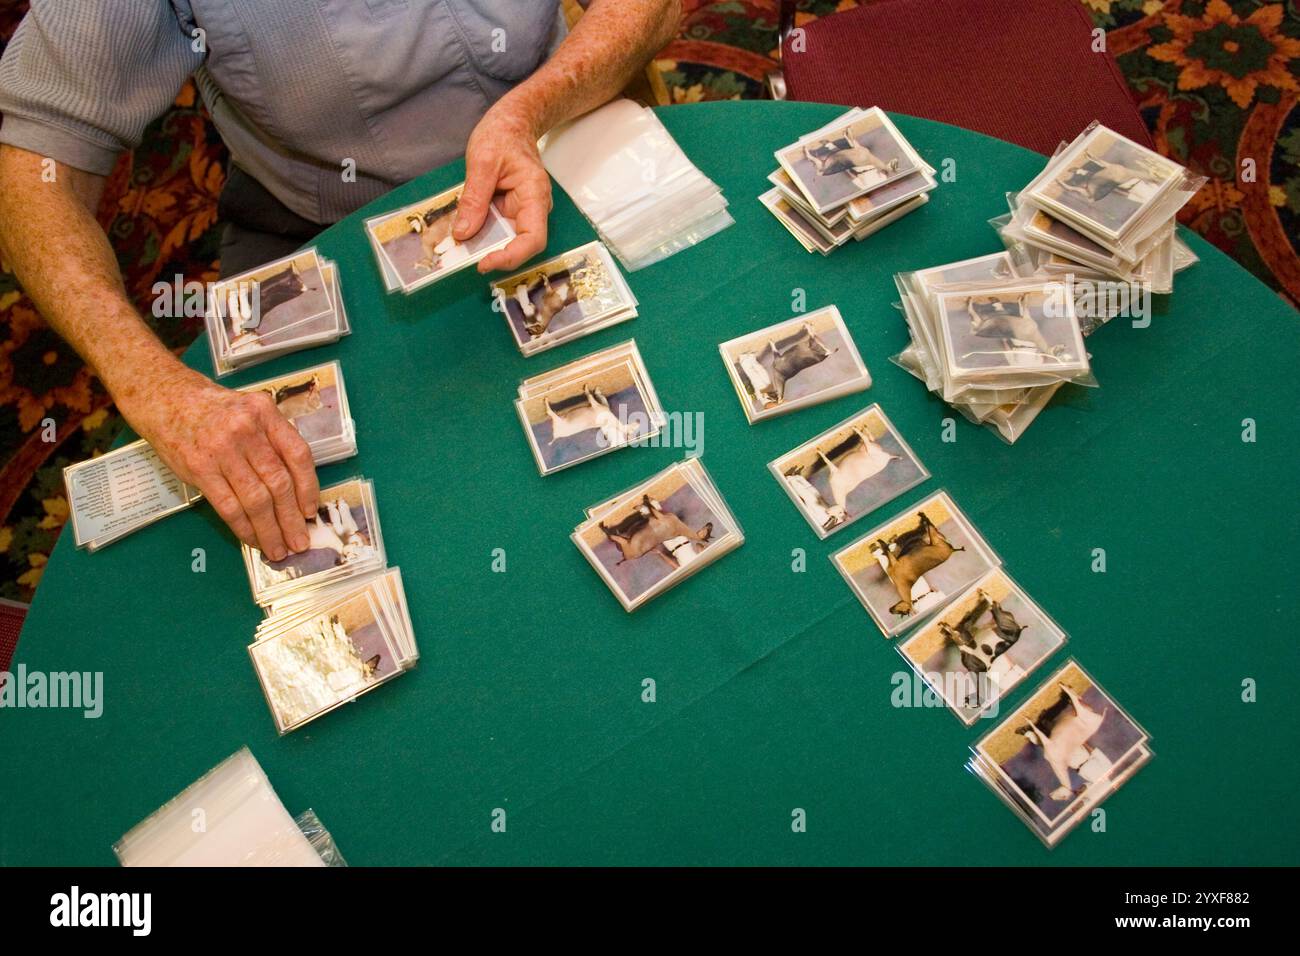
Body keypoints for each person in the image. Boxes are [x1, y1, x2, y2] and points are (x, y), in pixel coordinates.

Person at [0, 0, 679, 561]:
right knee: (317, 527)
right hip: (321, 223)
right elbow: (32, 166)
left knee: (677, 394)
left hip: (562, 127)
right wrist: (148, 382)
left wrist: (527, 112)